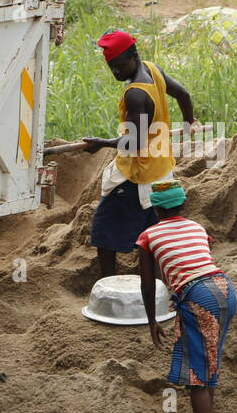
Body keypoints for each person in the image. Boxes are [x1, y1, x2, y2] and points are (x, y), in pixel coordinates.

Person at [136, 181, 237, 413]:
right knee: (208, 366)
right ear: (182, 205)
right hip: (225, 289)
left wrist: (152, 319)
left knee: (196, 377)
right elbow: (198, 258)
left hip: (197, 295)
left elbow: (146, 282)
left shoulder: (148, 235)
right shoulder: (196, 227)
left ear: (156, 208)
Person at [83, 30, 196, 277]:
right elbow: (183, 95)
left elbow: (134, 143)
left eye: (119, 65)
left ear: (133, 55)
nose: (116, 72)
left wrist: (100, 143)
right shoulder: (152, 70)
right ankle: (156, 287)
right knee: (154, 233)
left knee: (104, 232)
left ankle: (109, 287)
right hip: (161, 168)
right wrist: (189, 121)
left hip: (137, 173)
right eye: (111, 67)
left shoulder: (135, 93)